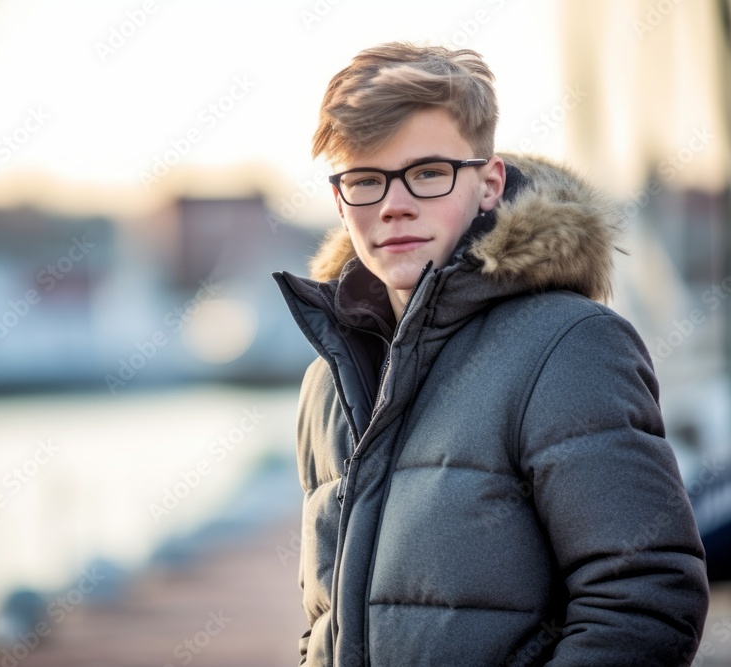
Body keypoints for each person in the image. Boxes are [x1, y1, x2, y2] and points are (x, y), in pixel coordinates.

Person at [272, 42, 709, 666]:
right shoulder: (326, 380)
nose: (393, 204)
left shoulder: (569, 345)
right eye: (365, 180)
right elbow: (325, 622)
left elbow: (644, 601)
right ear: (341, 201)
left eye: (427, 172)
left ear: (488, 183)